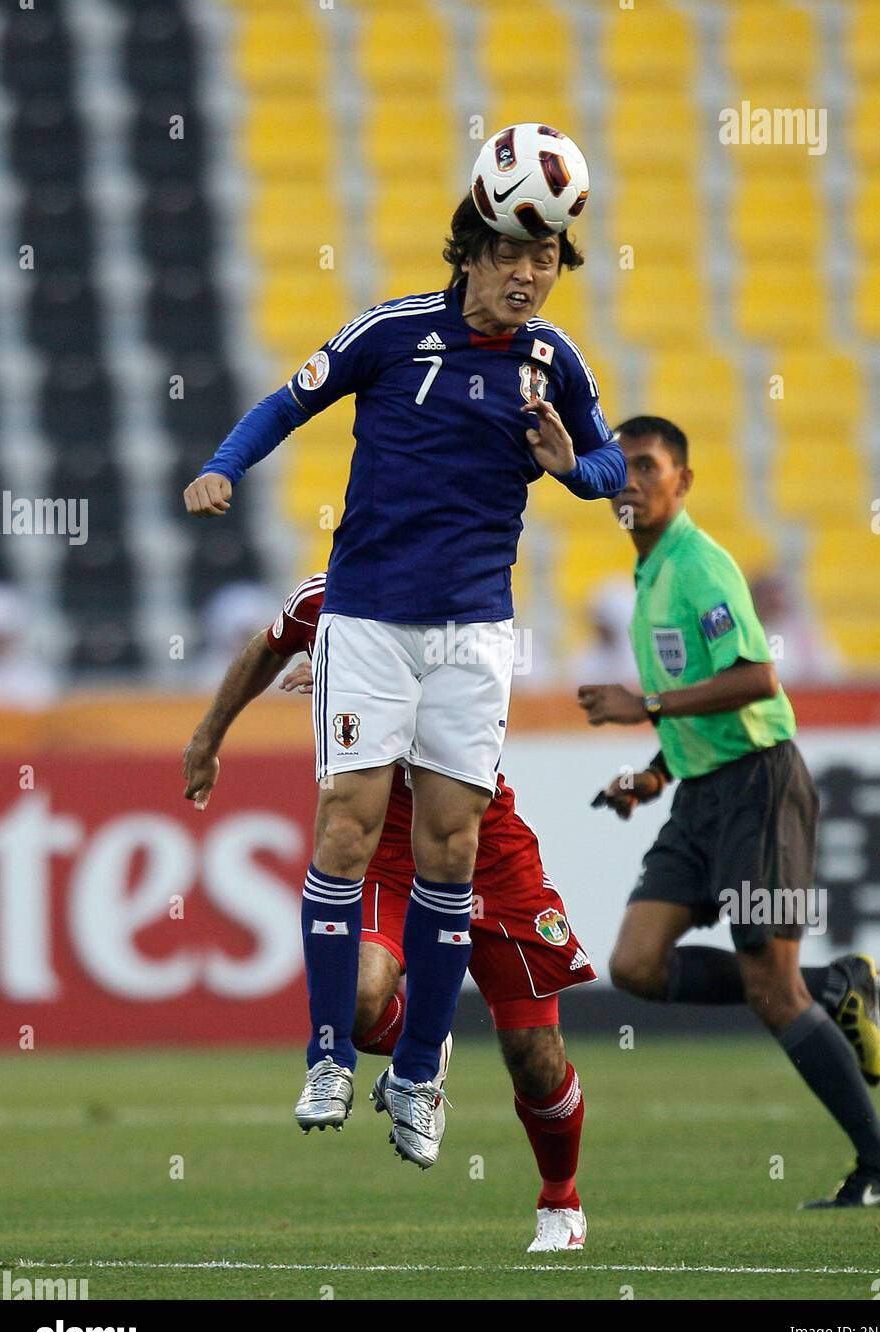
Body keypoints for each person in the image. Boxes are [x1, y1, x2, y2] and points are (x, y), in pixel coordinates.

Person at [182, 191, 625, 1167]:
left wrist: (573, 468)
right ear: (471, 251)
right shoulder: (391, 334)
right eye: (513, 251)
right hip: (369, 617)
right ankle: (330, 1052)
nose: (529, 273)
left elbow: (609, 466)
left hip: (473, 633)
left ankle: (419, 1071)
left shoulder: (552, 360)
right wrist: (224, 465)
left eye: (547, 256)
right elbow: (286, 400)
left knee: (450, 853)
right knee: (345, 823)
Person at [183, 574, 595, 1251]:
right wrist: (209, 736)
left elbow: (468, 700)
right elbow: (267, 646)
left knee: (532, 1051)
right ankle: (422, 1056)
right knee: (357, 998)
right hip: (389, 855)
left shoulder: (467, 599)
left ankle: (561, 1200)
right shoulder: (327, 599)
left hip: (484, 848)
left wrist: (374, 687)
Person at [578, 415, 880, 1210]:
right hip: (702, 794)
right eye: (617, 468)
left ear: (682, 481)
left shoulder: (699, 565)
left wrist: (645, 705)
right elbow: (701, 703)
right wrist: (654, 773)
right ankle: (836, 982)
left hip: (762, 788)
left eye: (646, 466)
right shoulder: (649, 573)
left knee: (774, 991)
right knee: (634, 964)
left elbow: (760, 679)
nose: (628, 481)